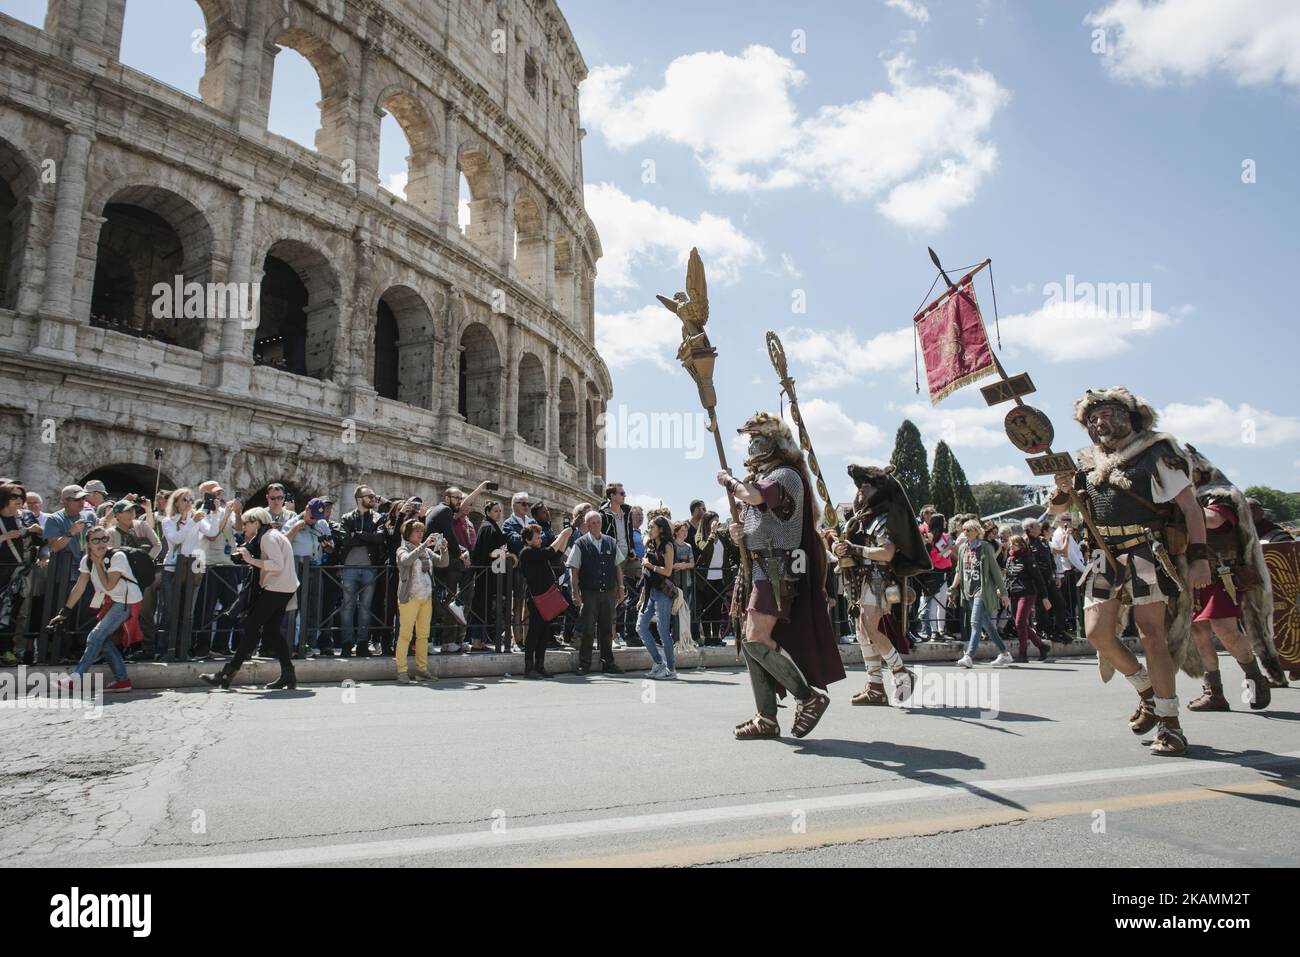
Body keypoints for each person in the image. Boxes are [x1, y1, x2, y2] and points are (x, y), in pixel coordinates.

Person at [1048, 387, 1210, 757]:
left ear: (1131, 416)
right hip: (1104, 555)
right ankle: (1147, 691)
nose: (1101, 421)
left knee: (1151, 634)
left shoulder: (1156, 451)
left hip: (1146, 550)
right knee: (1096, 633)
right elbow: (1060, 510)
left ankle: (1170, 723)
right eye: (1094, 417)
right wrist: (1061, 489)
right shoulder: (1085, 462)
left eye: (1109, 413)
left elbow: (1190, 507)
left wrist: (1200, 556)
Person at [716, 412, 844, 739]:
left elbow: (756, 496)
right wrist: (739, 533)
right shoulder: (768, 477)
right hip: (762, 565)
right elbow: (760, 516)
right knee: (750, 641)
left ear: (773, 443)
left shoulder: (785, 475)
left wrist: (730, 482)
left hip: (778, 568)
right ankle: (767, 718)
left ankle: (807, 697)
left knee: (756, 637)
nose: (752, 445)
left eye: (757, 439)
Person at [1181, 445, 1281, 709]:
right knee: (1199, 631)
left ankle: (1254, 677)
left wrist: (1181, 506)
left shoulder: (1221, 494)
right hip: (1190, 573)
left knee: (1224, 628)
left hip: (1221, 573)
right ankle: (1213, 691)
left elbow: (1213, 520)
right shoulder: (1180, 495)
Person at [833, 464, 932, 706]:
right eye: (859, 487)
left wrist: (855, 549)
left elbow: (886, 553)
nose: (860, 491)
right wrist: (839, 548)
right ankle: (875, 685)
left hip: (876, 578)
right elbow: (849, 549)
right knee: (861, 631)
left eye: (865, 486)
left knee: (869, 629)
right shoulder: (860, 518)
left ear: (878, 489)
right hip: (859, 579)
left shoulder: (884, 518)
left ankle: (900, 672)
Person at [201, 507, 299, 691]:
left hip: (276, 588)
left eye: (246, 523)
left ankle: (226, 674)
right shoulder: (271, 535)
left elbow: (277, 565)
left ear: (256, 522)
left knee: (252, 626)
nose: (243, 526)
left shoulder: (269, 538)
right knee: (271, 630)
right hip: (283, 587)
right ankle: (288, 674)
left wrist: (251, 560)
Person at [48, 526, 138, 692]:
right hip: (112, 602)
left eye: (104, 539)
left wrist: (97, 562)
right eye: (96, 540)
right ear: (88, 544)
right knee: (101, 640)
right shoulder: (86, 560)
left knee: (94, 637)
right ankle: (122, 680)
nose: (101, 543)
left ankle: (75, 679)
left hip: (127, 602)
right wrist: (64, 612)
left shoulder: (117, 557)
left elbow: (109, 585)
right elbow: (79, 587)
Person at [566, 510, 624, 676]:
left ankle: (608, 663)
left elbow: (617, 567)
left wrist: (621, 588)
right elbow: (574, 570)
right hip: (589, 593)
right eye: (592, 523)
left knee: (607, 629)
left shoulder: (611, 542)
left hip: (608, 592)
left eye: (598, 522)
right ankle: (584, 664)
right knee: (588, 629)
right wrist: (575, 593)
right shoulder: (580, 543)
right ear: (586, 524)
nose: (596, 525)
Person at [952, 518, 1012, 669]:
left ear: (977, 532)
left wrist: (1003, 592)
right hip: (968, 591)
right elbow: (959, 571)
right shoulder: (962, 548)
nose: (965, 532)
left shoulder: (985, 547)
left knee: (975, 623)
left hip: (982, 590)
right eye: (964, 530)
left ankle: (968, 656)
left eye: (968, 530)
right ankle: (1004, 653)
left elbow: (995, 570)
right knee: (986, 624)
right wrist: (953, 588)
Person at [519, 521, 575, 678]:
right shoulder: (527, 552)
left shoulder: (537, 551)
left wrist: (567, 536)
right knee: (534, 632)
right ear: (528, 540)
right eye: (537, 538)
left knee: (544, 632)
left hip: (547, 596)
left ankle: (540, 665)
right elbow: (549, 552)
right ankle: (529, 667)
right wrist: (563, 534)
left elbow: (556, 554)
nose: (540, 540)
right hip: (537, 598)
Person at [394, 519, 448, 683]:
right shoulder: (402, 549)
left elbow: (443, 563)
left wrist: (444, 548)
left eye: (421, 531)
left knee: (424, 636)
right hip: (410, 597)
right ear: (408, 534)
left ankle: (421, 670)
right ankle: (401, 671)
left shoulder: (426, 551)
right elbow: (406, 560)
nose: (420, 534)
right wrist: (424, 545)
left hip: (426, 598)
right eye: (417, 531)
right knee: (405, 635)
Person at [338, 485, 387, 657]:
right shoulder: (346, 517)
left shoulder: (378, 517)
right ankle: (346, 643)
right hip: (349, 567)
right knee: (347, 607)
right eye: (370, 497)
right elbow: (344, 539)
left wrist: (358, 535)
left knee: (366, 608)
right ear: (360, 499)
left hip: (370, 568)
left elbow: (380, 538)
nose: (374, 499)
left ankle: (362, 643)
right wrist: (367, 536)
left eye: (374, 497)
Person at [160, 487, 206, 661]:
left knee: (188, 612)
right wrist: (192, 522)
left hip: (193, 565)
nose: (188, 503)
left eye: (190, 500)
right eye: (184, 500)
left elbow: (211, 532)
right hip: (173, 567)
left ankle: (183, 650)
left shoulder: (197, 518)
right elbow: (176, 539)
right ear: (176, 503)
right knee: (170, 610)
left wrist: (213, 512)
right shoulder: (168, 521)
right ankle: (165, 649)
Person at [637, 516, 679, 679]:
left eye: (652, 527)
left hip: (663, 592)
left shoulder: (668, 546)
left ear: (660, 529)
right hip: (650, 591)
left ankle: (671, 669)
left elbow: (668, 571)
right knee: (640, 626)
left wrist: (650, 565)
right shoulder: (651, 544)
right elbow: (646, 575)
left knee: (662, 630)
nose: (649, 529)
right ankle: (659, 663)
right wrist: (642, 597)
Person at [471, 500, 513, 650]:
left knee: (487, 607)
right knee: (481, 606)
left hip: (494, 574)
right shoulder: (488, 527)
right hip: (487, 574)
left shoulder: (493, 526)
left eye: (500, 511)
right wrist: (507, 555)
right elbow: (490, 552)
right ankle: (477, 641)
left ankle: (482, 641)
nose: (499, 513)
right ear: (488, 512)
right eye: (495, 511)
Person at [1004, 534, 1051, 663]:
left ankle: (1023, 653)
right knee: (1021, 624)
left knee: (1020, 622)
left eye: (1015, 544)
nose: (1012, 546)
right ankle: (1042, 646)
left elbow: (1038, 579)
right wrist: (1003, 591)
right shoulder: (1009, 560)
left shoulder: (1028, 559)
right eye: (1011, 544)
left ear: (1021, 545)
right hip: (1014, 594)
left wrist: (1044, 597)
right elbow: (1008, 577)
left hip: (1027, 593)